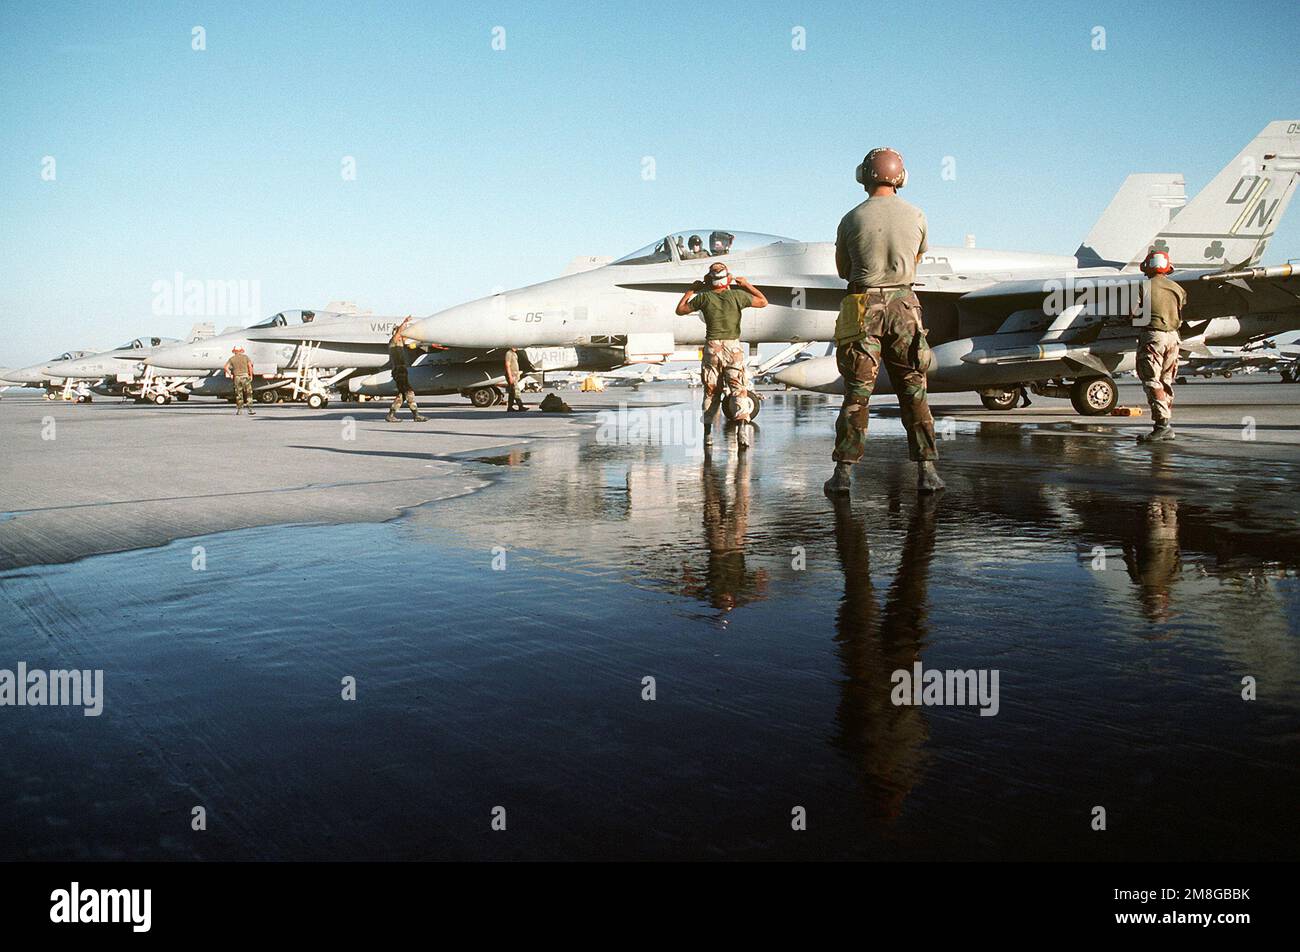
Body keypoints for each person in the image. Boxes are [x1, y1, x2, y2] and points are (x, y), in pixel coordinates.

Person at [824, 147, 943, 497]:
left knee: (858, 391)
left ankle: (843, 475)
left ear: (864, 176)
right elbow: (917, 257)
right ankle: (927, 472)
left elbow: (843, 269)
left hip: (863, 304)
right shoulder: (917, 214)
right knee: (913, 386)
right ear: (900, 177)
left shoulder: (851, 218)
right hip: (905, 305)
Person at [674, 261, 767, 450]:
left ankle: (708, 434)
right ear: (728, 279)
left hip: (712, 348)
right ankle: (742, 431)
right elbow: (763, 301)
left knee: (711, 391)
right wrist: (746, 284)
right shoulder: (737, 296)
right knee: (738, 388)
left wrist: (692, 290)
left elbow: (680, 310)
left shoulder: (704, 298)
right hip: (733, 348)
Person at [1133, 249, 1186, 442]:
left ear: (1148, 266)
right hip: (1174, 337)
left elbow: (1132, 313)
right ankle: (1165, 425)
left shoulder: (1143, 286)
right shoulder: (1178, 288)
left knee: (1151, 380)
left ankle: (1162, 426)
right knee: (1166, 380)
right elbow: (1179, 312)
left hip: (1153, 337)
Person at [386, 317, 427, 423]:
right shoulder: (393, 341)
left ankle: (391, 415)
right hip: (399, 371)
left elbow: (406, 338)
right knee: (409, 392)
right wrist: (405, 322)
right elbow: (399, 333)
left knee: (401, 395)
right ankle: (416, 415)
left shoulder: (400, 343)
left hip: (401, 371)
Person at [223, 345, 255, 415]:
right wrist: (251, 375)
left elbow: (225, 367)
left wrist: (230, 374)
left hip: (237, 377)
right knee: (248, 393)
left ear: (234, 351)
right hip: (245, 377)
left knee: (238, 394)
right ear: (241, 351)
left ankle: (239, 410)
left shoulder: (232, 359)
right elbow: (250, 366)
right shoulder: (246, 357)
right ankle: (250, 409)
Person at [503, 347, 527, 411]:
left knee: (512, 392)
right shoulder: (508, 353)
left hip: (515, 376)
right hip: (512, 375)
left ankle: (510, 407)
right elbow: (507, 365)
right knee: (516, 391)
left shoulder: (514, 354)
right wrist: (510, 376)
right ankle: (520, 406)